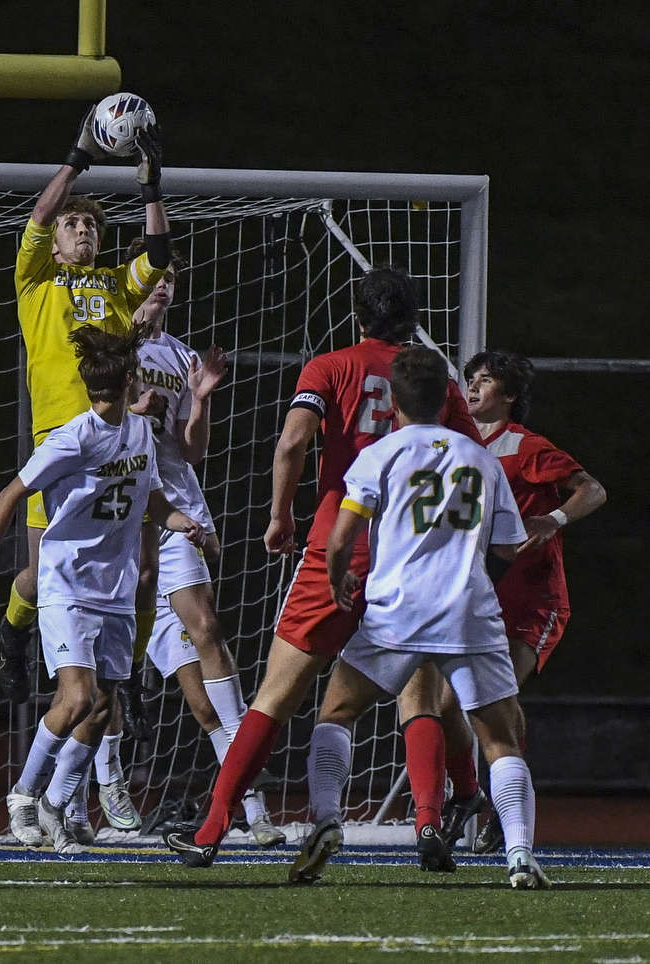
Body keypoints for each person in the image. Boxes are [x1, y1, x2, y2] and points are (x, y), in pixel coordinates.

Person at [164, 264, 481, 868]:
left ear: (358, 317)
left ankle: (211, 830)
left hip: (341, 545)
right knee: (419, 693)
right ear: (413, 321)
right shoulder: (431, 378)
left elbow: (292, 441)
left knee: (278, 694)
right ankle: (429, 824)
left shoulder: (330, 366)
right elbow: (469, 455)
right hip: (414, 557)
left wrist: (280, 514)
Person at [287, 346, 550, 889]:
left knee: (337, 712)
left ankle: (327, 820)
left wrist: (338, 580)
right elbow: (508, 546)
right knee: (501, 738)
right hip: (468, 613)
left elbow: (341, 537)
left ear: (394, 402)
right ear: (447, 399)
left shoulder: (380, 454)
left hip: (397, 612)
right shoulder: (481, 457)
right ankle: (521, 855)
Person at [58, 240, 283, 846]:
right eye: (155, 275)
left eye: (172, 278)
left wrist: (200, 401)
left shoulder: (183, 357)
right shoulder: (106, 344)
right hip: (117, 520)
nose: (163, 284)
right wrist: (134, 408)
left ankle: (252, 801)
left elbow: (193, 450)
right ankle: (88, 790)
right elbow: (89, 426)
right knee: (110, 669)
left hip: (173, 512)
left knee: (206, 628)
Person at [0, 322, 205, 854]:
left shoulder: (141, 433)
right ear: (129, 381)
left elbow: (152, 499)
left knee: (100, 707)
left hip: (115, 589)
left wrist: (182, 521)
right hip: (67, 584)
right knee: (77, 698)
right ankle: (24, 797)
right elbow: (10, 494)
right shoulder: (73, 438)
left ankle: (57, 805)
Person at [0, 109, 173, 748]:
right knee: (40, 572)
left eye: (91, 225)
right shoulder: (36, 281)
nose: (82, 231)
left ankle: (133, 679)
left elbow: (158, 256)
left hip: (118, 443)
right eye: (73, 224)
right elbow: (40, 214)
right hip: (61, 441)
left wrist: (150, 185)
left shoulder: (117, 287)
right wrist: (78, 159)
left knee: (143, 567)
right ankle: (14, 633)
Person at [438, 350, 607, 853]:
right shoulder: (455, 444)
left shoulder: (525, 445)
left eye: (485, 380)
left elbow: (593, 489)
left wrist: (553, 519)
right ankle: (469, 794)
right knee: (445, 706)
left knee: (495, 697)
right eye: (470, 379)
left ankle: (507, 807)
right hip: (475, 597)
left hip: (532, 598)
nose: (472, 387)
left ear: (510, 396)